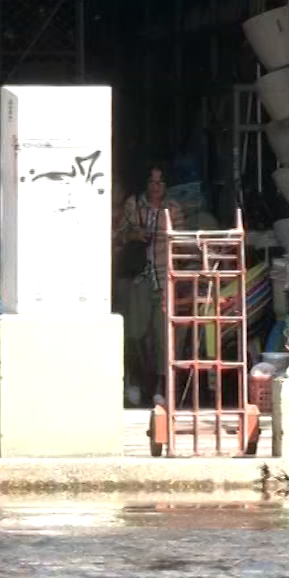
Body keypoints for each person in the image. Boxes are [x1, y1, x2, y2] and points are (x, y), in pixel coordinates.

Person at [114, 165, 183, 407]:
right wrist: (134, 235)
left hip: (165, 279)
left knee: (163, 336)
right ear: (146, 184)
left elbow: (182, 242)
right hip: (140, 278)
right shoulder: (134, 205)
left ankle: (159, 387)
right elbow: (119, 235)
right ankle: (139, 381)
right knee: (136, 334)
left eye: (160, 183)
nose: (156, 188)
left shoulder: (173, 208)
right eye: (152, 183)